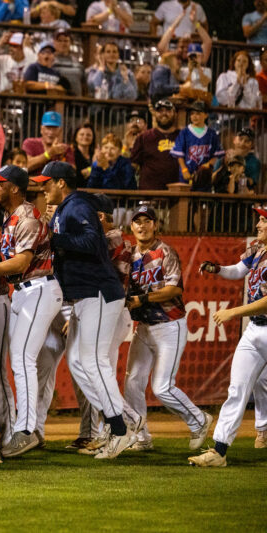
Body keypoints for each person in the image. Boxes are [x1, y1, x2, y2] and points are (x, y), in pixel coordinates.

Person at [34, 161, 137, 460]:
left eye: (47, 182)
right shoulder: (68, 208)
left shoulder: (77, 205)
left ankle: (121, 429)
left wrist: (55, 240)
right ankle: (116, 421)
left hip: (100, 292)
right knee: (78, 362)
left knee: (92, 361)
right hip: (85, 295)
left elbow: (93, 242)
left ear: (62, 183)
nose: (43, 187)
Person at [0, 165, 62, 456]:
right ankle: (30, 428)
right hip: (23, 292)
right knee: (22, 360)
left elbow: (19, 263)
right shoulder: (11, 218)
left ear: (15, 188)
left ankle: (27, 431)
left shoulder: (27, 219)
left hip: (39, 289)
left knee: (22, 359)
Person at [124, 204, 213, 451]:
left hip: (169, 325)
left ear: (155, 224)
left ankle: (199, 420)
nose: (142, 226)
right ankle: (142, 438)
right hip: (144, 327)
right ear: (131, 226)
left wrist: (141, 299)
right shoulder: (129, 255)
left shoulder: (165, 252)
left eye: (147, 221)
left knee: (162, 387)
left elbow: (174, 290)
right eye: (137, 221)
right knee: (132, 383)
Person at [190, 208, 267, 467]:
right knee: (236, 390)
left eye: (264, 220)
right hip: (255, 330)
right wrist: (217, 268)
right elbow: (237, 270)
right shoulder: (258, 249)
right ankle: (219, 451)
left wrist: (234, 312)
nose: (258, 224)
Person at [170, 100, 223, 190]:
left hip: (204, 179)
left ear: (206, 115)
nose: (194, 116)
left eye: (198, 113)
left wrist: (209, 165)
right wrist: (184, 170)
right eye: (192, 113)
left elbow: (216, 154)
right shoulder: (184, 132)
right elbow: (180, 155)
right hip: (187, 176)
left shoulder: (211, 134)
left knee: (203, 200)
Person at [130, 99, 180, 190]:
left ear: (175, 113)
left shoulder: (183, 136)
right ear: (155, 114)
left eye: (168, 110)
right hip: (149, 195)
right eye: (160, 111)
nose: (164, 114)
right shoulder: (144, 138)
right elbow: (133, 166)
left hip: (177, 195)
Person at [22, 111, 75, 175]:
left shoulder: (65, 148)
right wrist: (50, 153)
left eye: (54, 128)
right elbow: (25, 167)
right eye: (48, 128)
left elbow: (72, 172)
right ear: (41, 129)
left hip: (56, 184)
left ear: (60, 130)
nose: (51, 132)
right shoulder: (29, 143)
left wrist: (61, 159)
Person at [52, 29, 83, 97]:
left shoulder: (77, 61)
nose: (63, 43)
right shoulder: (49, 60)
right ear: (53, 42)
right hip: (56, 101)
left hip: (76, 102)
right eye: (59, 40)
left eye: (66, 41)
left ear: (70, 43)